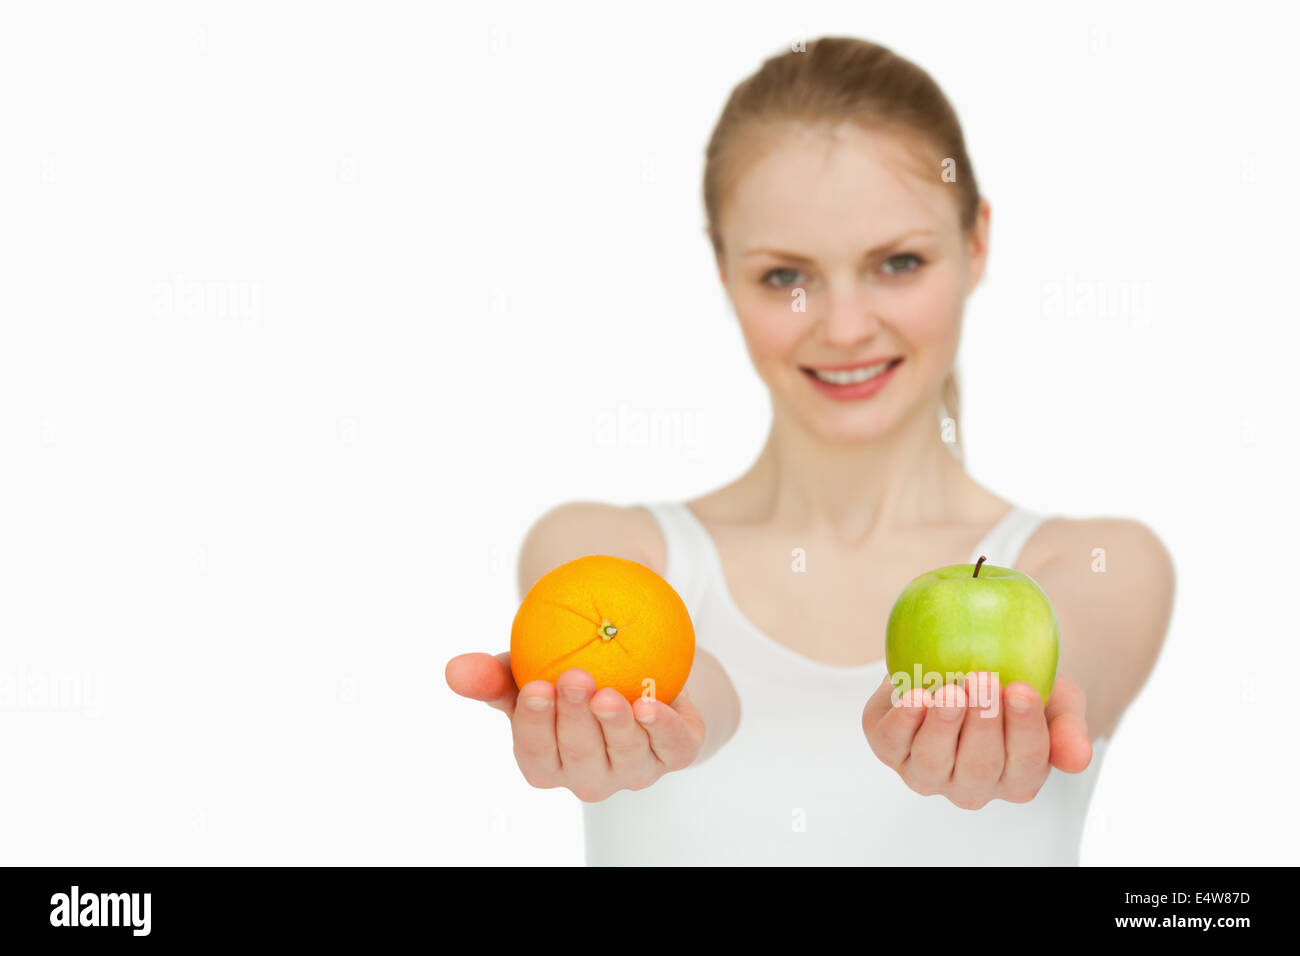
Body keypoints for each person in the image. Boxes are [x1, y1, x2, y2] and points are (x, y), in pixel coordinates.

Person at [445, 36, 1175, 865]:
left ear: (976, 242)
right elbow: (693, 683)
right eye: (787, 276)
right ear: (723, 271)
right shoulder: (599, 548)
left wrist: (1011, 714)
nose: (845, 326)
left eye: (898, 262)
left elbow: (1058, 674)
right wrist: (669, 721)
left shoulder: (1103, 562)